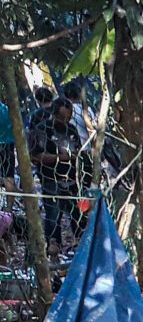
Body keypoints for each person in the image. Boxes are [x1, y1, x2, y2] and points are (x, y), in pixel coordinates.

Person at [28, 97, 84, 246]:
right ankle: (53, 247)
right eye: (62, 117)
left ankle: (80, 243)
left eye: (69, 116)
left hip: (72, 179)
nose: (66, 120)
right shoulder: (41, 129)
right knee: (53, 215)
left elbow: (78, 150)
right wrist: (60, 158)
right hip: (51, 179)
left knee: (78, 213)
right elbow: (35, 156)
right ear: (54, 114)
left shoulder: (71, 129)